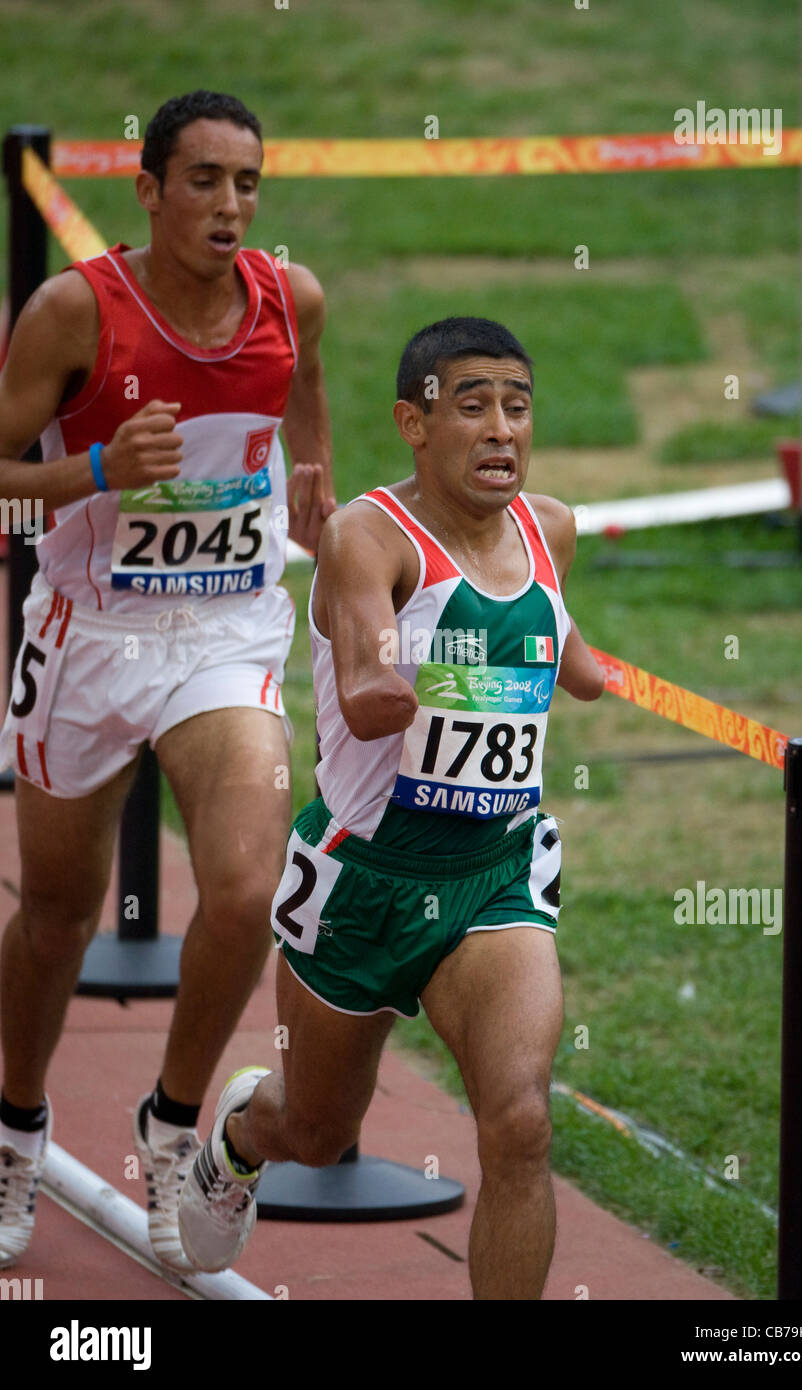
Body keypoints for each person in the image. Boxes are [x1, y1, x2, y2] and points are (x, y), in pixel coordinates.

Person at [178, 316, 605, 1300]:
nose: (500, 429)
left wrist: (619, 681)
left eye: (516, 406)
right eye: (472, 406)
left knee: (519, 1123)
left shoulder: (551, 527)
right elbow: (368, 681)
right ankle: (243, 1137)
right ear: (412, 424)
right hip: (364, 882)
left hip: (491, 874)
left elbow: (571, 662)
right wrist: (434, 679)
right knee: (317, 1133)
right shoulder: (366, 535)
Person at [0, 90, 335, 1271]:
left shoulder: (287, 300)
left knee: (247, 889)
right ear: (146, 191)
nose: (230, 206)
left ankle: (178, 1121)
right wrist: (89, 468)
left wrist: (311, 472)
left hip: (224, 634)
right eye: (203, 181)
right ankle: (16, 1124)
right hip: (90, 633)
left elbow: (301, 393)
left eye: (247, 183)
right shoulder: (69, 313)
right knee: (55, 917)